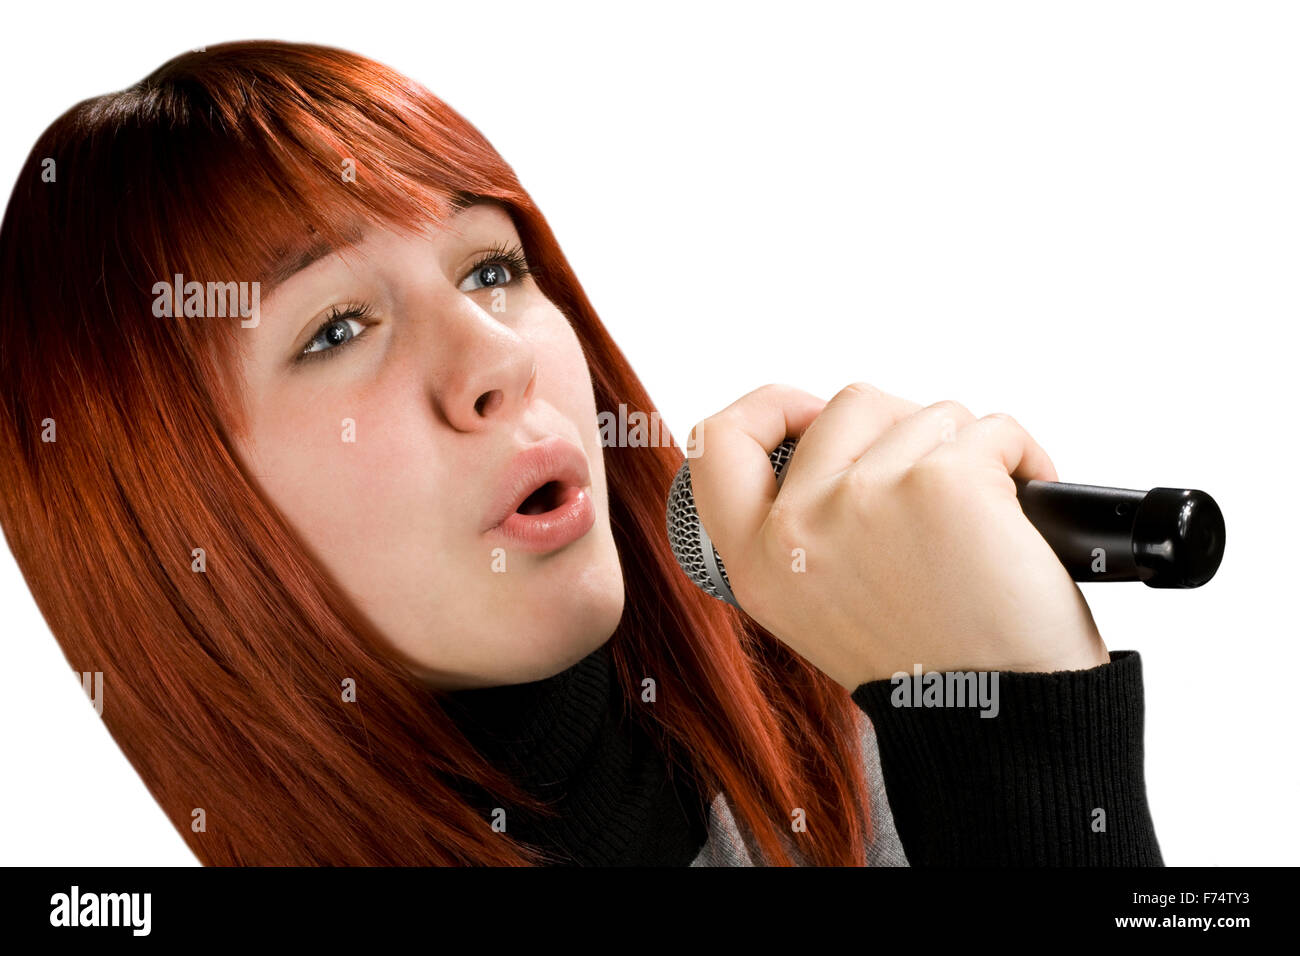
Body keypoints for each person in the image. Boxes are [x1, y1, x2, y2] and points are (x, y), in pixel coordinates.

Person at [0, 39, 1161, 866]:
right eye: (336, 327)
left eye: (492, 268)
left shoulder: (885, 752)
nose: (493, 356)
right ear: (163, 523)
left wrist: (1017, 735)